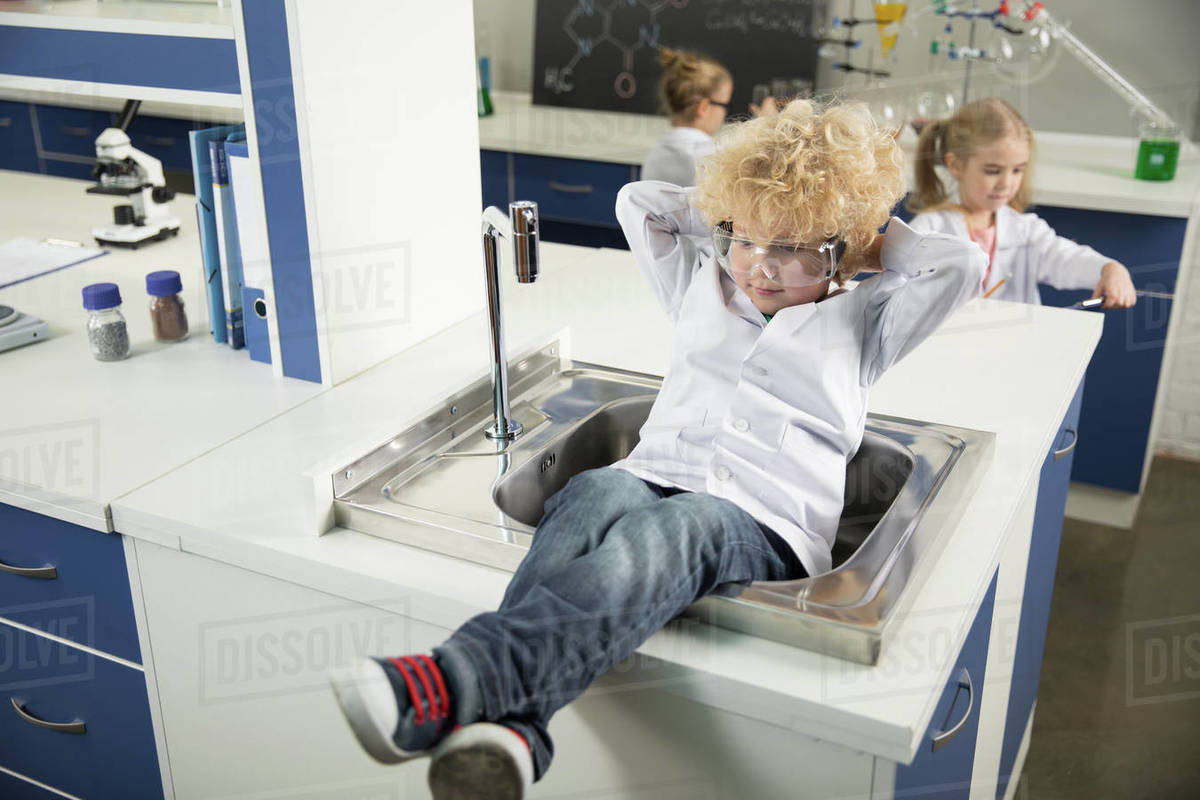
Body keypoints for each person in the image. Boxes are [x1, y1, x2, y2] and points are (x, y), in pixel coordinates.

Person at [328, 100, 986, 800]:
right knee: (592, 493)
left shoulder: (866, 322)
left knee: (682, 527)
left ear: (841, 247)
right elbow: (637, 202)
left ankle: (454, 679)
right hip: (654, 471)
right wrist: (745, 210)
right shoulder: (701, 281)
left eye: (793, 249)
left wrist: (862, 240)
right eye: (745, 238)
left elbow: (960, 266)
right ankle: (518, 732)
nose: (761, 267)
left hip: (765, 517)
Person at [908, 97, 1136, 308]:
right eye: (992, 171)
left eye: (1018, 170)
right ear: (956, 165)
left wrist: (1110, 269)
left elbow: (1066, 259)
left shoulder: (1026, 230)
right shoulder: (928, 230)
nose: (1006, 183)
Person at [640, 47, 732, 186]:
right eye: (725, 105)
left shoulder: (654, 156)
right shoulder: (716, 158)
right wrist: (767, 125)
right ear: (703, 108)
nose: (724, 113)